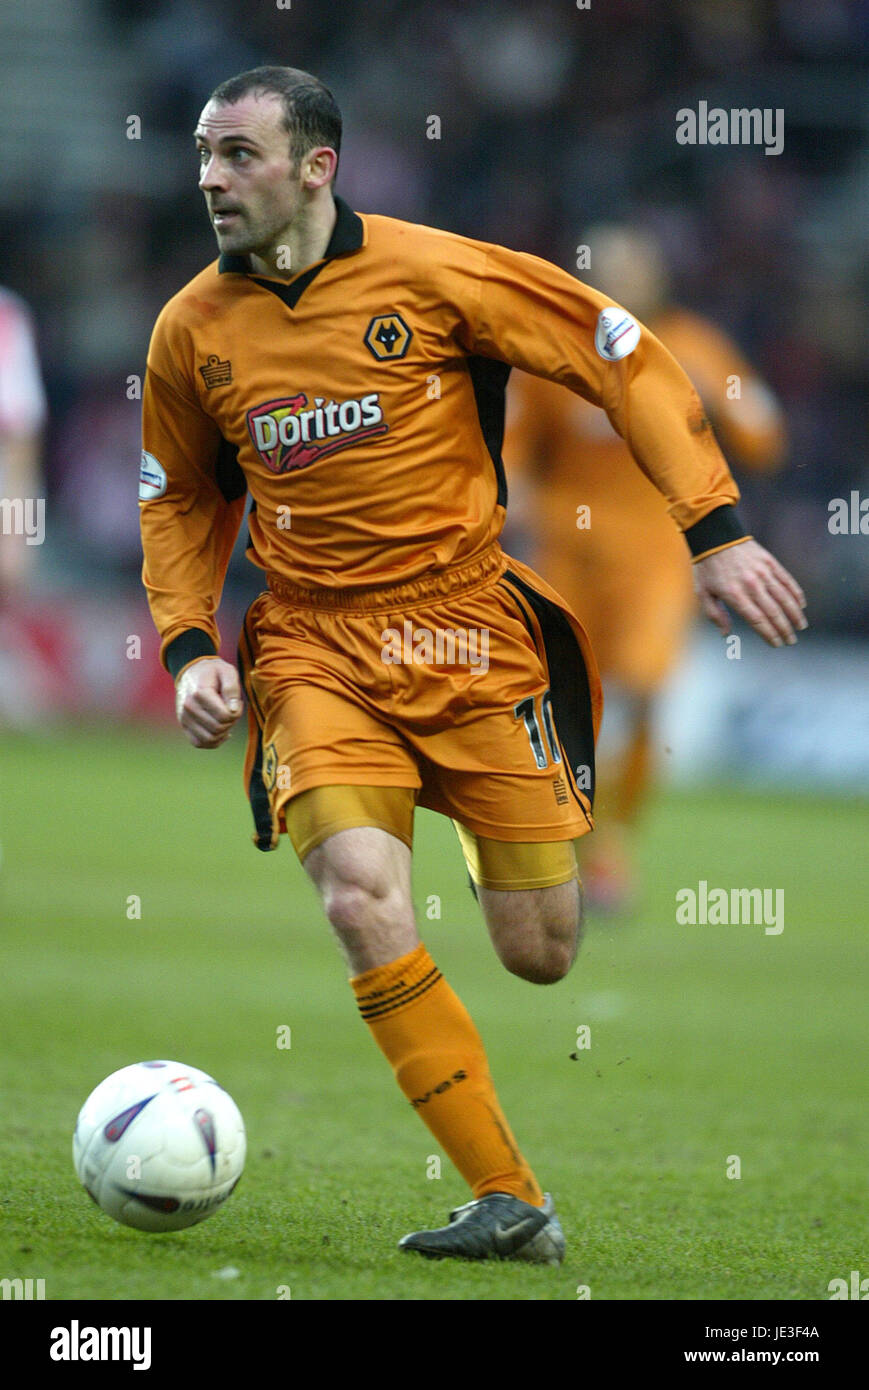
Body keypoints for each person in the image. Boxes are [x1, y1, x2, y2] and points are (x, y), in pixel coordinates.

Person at [139, 66, 806, 1265]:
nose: (209, 177)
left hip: (466, 637)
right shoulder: (192, 327)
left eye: (237, 154)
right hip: (312, 645)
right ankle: (508, 1194)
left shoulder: (439, 273)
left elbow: (620, 354)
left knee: (539, 949)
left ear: (315, 167)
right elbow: (181, 496)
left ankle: (511, 813)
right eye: (201, 152)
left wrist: (712, 528)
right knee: (356, 894)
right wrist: (190, 644)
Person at [503, 226, 788, 912]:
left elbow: (764, 439)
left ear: (655, 277)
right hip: (568, 551)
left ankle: (608, 849)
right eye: (600, 267)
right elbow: (508, 451)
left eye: (627, 268)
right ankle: (561, 843)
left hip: (656, 554)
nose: (614, 280)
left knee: (641, 689)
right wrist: (524, 504)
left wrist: (724, 408)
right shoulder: (552, 352)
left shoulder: (691, 348)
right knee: (561, 700)